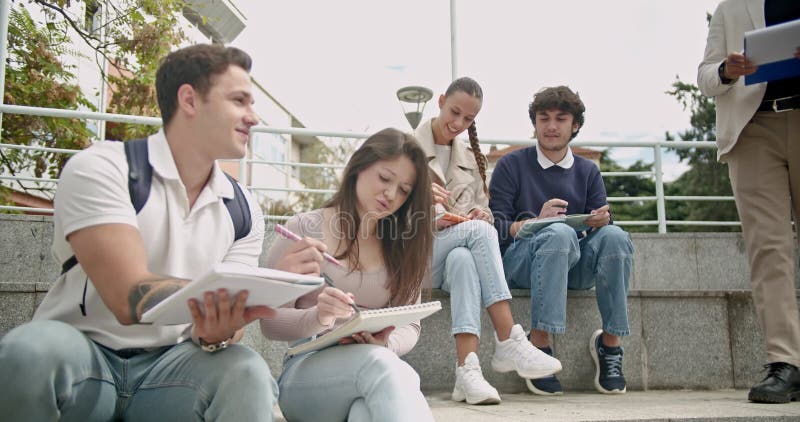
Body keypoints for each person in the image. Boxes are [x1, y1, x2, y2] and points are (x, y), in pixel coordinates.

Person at [0, 44, 278, 420]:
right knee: (27, 352)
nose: (254, 117)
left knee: (248, 371)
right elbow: (129, 296)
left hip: (173, 371)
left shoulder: (243, 207)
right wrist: (218, 297)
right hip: (86, 359)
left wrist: (222, 328)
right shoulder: (101, 168)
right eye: (239, 101)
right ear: (190, 100)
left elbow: (224, 331)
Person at [260, 128, 436, 421]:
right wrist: (319, 317)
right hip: (306, 373)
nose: (391, 194)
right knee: (389, 370)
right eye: (384, 178)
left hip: (374, 370)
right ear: (359, 166)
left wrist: (385, 343)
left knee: (365, 413)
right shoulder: (304, 228)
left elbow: (411, 325)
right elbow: (268, 321)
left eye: (404, 190)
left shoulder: (404, 245)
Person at [413, 77, 562, 405]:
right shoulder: (404, 147)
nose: (458, 123)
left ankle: (467, 371)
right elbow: (380, 208)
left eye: (468, 119)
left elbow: (484, 210)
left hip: (451, 257)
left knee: (466, 257)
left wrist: (482, 215)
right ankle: (508, 337)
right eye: (454, 112)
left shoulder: (469, 156)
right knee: (481, 235)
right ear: (440, 101)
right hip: (414, 256)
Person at [488, 86, 634, 396]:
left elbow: (603, 228)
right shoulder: (510, 165)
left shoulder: (587, 171)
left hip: (572, 264)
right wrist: (535, 223)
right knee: (557, 231)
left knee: (615, 236)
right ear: (535, 123)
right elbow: (495, 227)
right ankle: (539, 345)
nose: (551, 126)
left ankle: (610, 347)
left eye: (560, 119)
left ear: (575, 125)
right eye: (544, 118)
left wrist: (601, 221)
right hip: (520, 263)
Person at [698, 0, 800, 404]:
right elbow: (706, 75)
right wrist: (727, 71)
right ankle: (786, 361)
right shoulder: (732, 6)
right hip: (754, 129)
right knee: (768, 249)